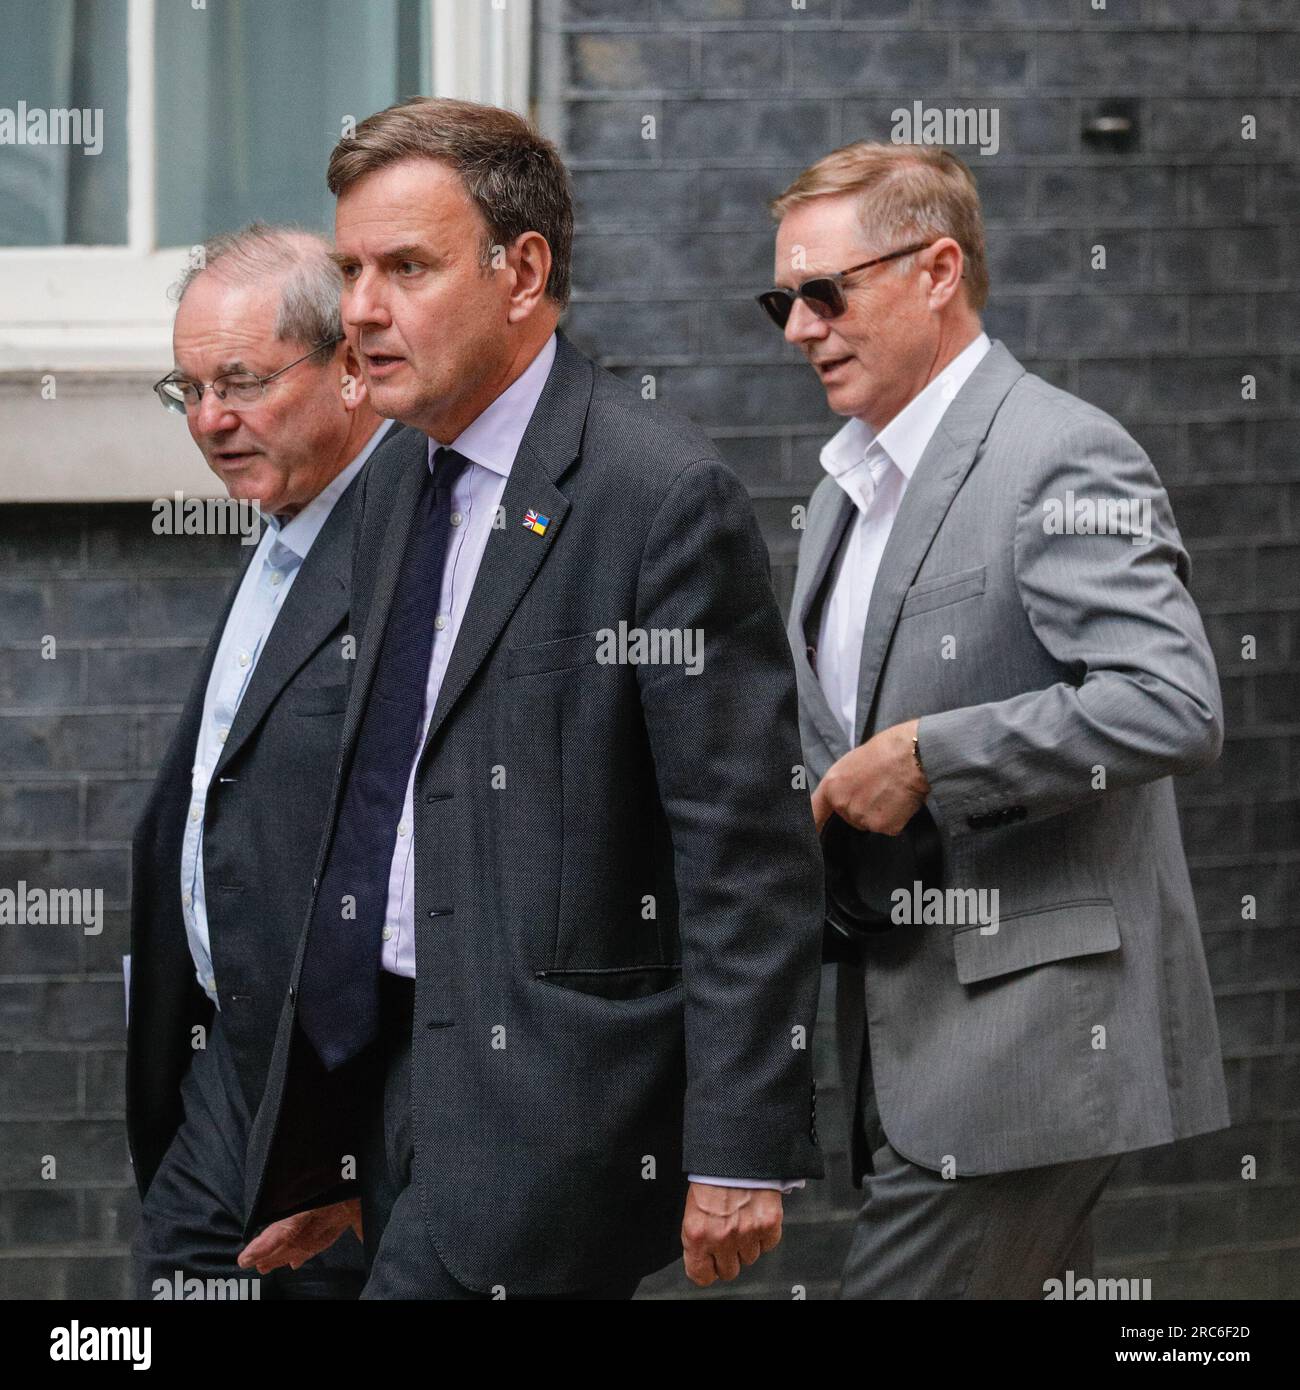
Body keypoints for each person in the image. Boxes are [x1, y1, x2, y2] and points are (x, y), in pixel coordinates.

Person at [237, 98, 825, 1299]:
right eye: (351, 269)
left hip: (552, 1115)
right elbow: (370, 804)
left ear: (523, 273)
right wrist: (325, 1121)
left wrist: (738, 1145)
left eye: (405, 266)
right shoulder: (395, 477)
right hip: (385, 1083)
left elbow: (742, 853)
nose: (360, 308)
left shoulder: (658, 495)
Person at [765, 141, 1230, 1299]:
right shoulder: (841, 492)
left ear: (935, 270)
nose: (797, 328)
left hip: (1027, 1043)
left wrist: (933, 755)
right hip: (904, 1025)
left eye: (827, 292)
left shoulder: (1056, 450)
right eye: (782, 300)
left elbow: (1168, 699)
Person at [127, 225, 395, 1299]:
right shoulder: (284, 528)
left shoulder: (415, 543)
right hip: (229, 1073)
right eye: (184, 389)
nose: (209, 420)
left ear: (349, 368)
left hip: (352, 1096)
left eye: (240, 381)